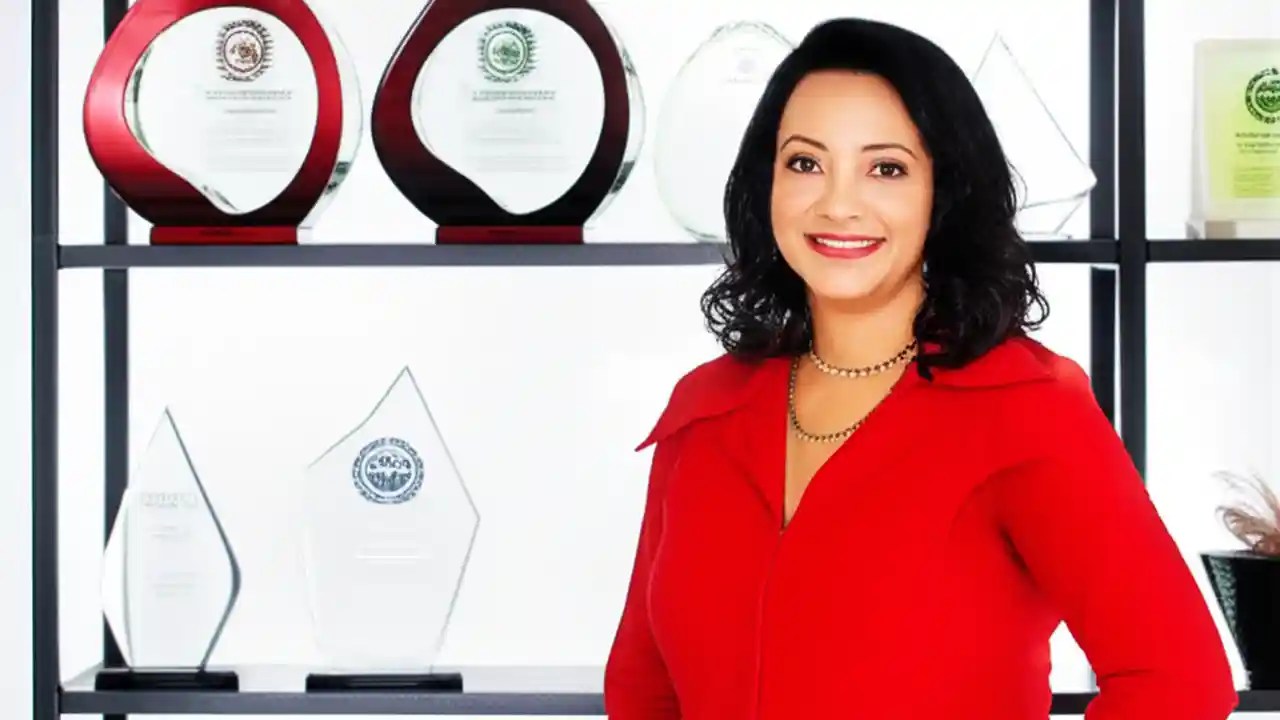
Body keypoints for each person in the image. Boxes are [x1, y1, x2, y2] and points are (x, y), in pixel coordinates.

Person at [603, 17, 1238, 720]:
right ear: (766, 184)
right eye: (805, 163)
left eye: (886, 168)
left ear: (943, 191)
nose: (838, 204)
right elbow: (643, 688)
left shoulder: (1025, 408)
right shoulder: (706, 410)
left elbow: (1178, 680)